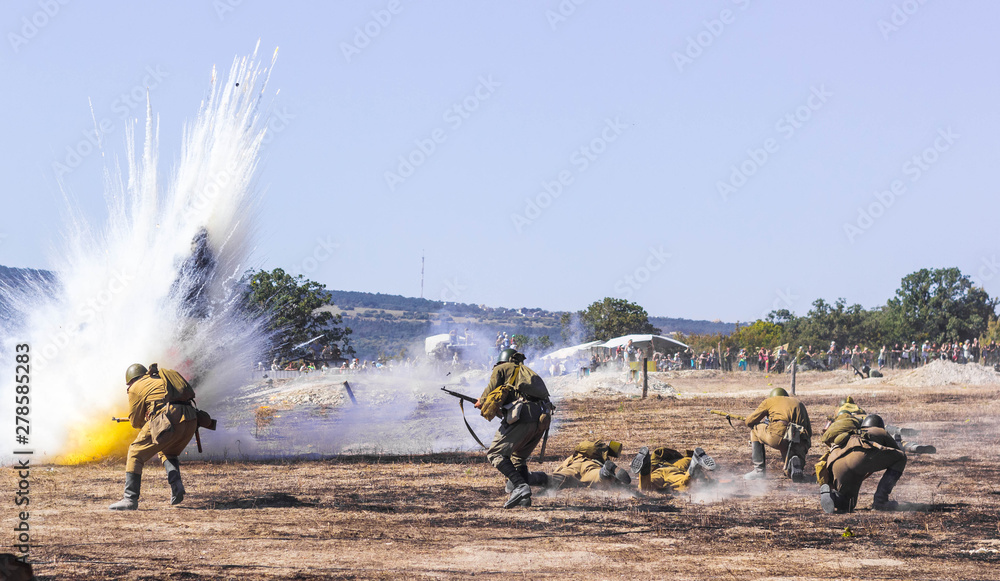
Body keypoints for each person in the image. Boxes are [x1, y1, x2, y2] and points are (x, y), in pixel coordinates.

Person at [109, 363, 202, 510]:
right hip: (190, 419)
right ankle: (176, 485)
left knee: (135, 452)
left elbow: (135, 421)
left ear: (131, 380)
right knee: (167, 451)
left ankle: (130, 499)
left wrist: (148, 418)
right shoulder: (159, 379)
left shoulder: (135, 387)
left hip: (168, 418)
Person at [474, 348, 554, 509]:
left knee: (496, 454)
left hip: (524, 416)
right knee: (518, 459)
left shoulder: (501, 368)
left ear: (502, 361)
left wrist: (481, 402)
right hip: (541, 420)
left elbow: (490, 392)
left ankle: (519, 487)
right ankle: (524, 498)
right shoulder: (526, 372)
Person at [818, 414, 906, 513]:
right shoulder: (880, 431)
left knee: (848, 503)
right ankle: (881, 500)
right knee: (901, 457)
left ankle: (832, 496)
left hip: (836, 464)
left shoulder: (851, 434)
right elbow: (897, 452)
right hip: (858, 459)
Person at [743, 387, 812, 482]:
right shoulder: (798, 402)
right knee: (789, 472)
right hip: (800, 440)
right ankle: (795, 463)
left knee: (755, 430)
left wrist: (767, 423)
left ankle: (759, 471)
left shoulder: (769, 401)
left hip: (779, 435)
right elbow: (810, 431)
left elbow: (749, 421)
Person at [548, 440, 631, 490]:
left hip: (575, 464)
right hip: (593, 465)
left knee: (558, 477)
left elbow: (561, 468)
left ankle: (536, 477)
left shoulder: (575, 456)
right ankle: (604, 472)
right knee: (597, 475)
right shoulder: (597, 459)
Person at [631, 445, 717, 492]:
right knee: (684, 485)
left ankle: (644, 469)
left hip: (657, 471)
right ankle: (694, 463)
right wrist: (709, 481)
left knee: (645, 487)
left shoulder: (656, 459)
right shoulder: (685, 460)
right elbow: (701, 475)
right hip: (674, 471)